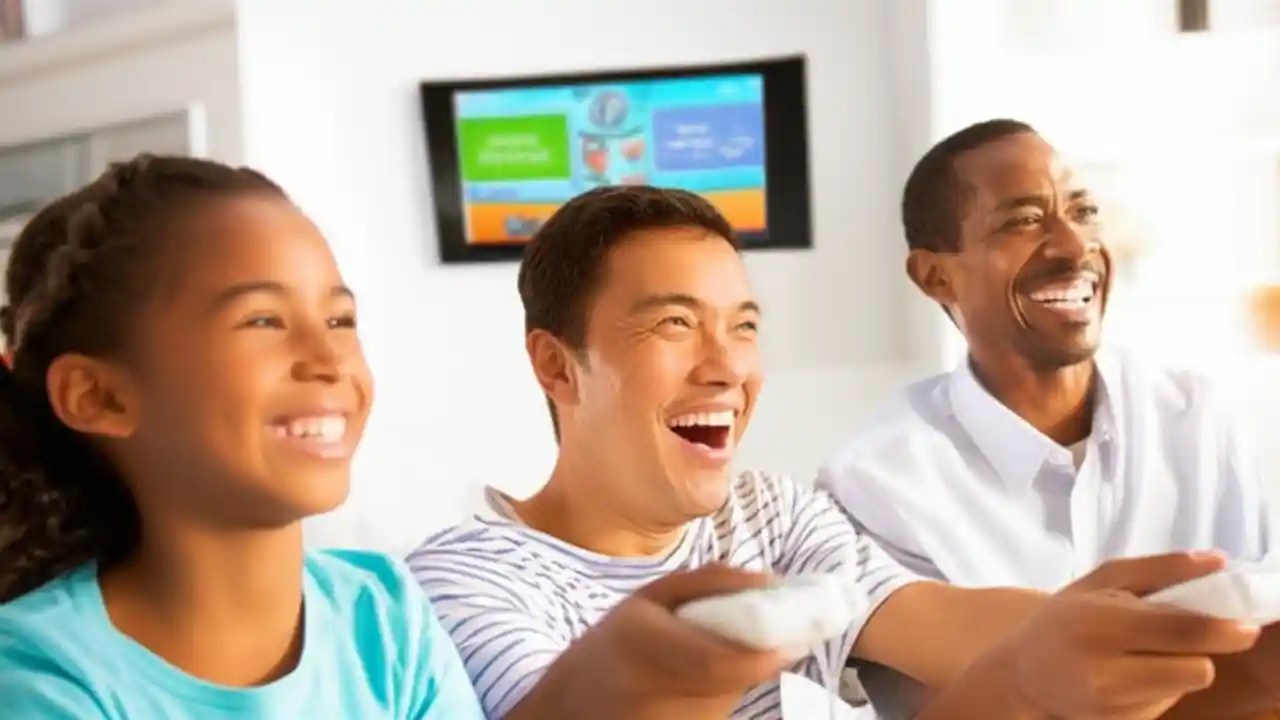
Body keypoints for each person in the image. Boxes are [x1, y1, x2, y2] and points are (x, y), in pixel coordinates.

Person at [408, 185, 1277, 720]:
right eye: (675, 324)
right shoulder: (463, 584)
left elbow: (949, 626)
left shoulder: (766, 515)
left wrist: (1161, 625)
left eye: (742, 327)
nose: (726, 367)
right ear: (557, 365)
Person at [0, 156, 484, 719]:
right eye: (263, 320)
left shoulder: (383, 615)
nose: (328, 360)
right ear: (100, 397)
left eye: (339, 321)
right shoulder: (38, 675)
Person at [818, 119, 1273, 591]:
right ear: (936, 277)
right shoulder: (880, 482)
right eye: (1023, 221)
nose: (1076, 247)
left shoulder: (1203, 421)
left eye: (1084, 212)